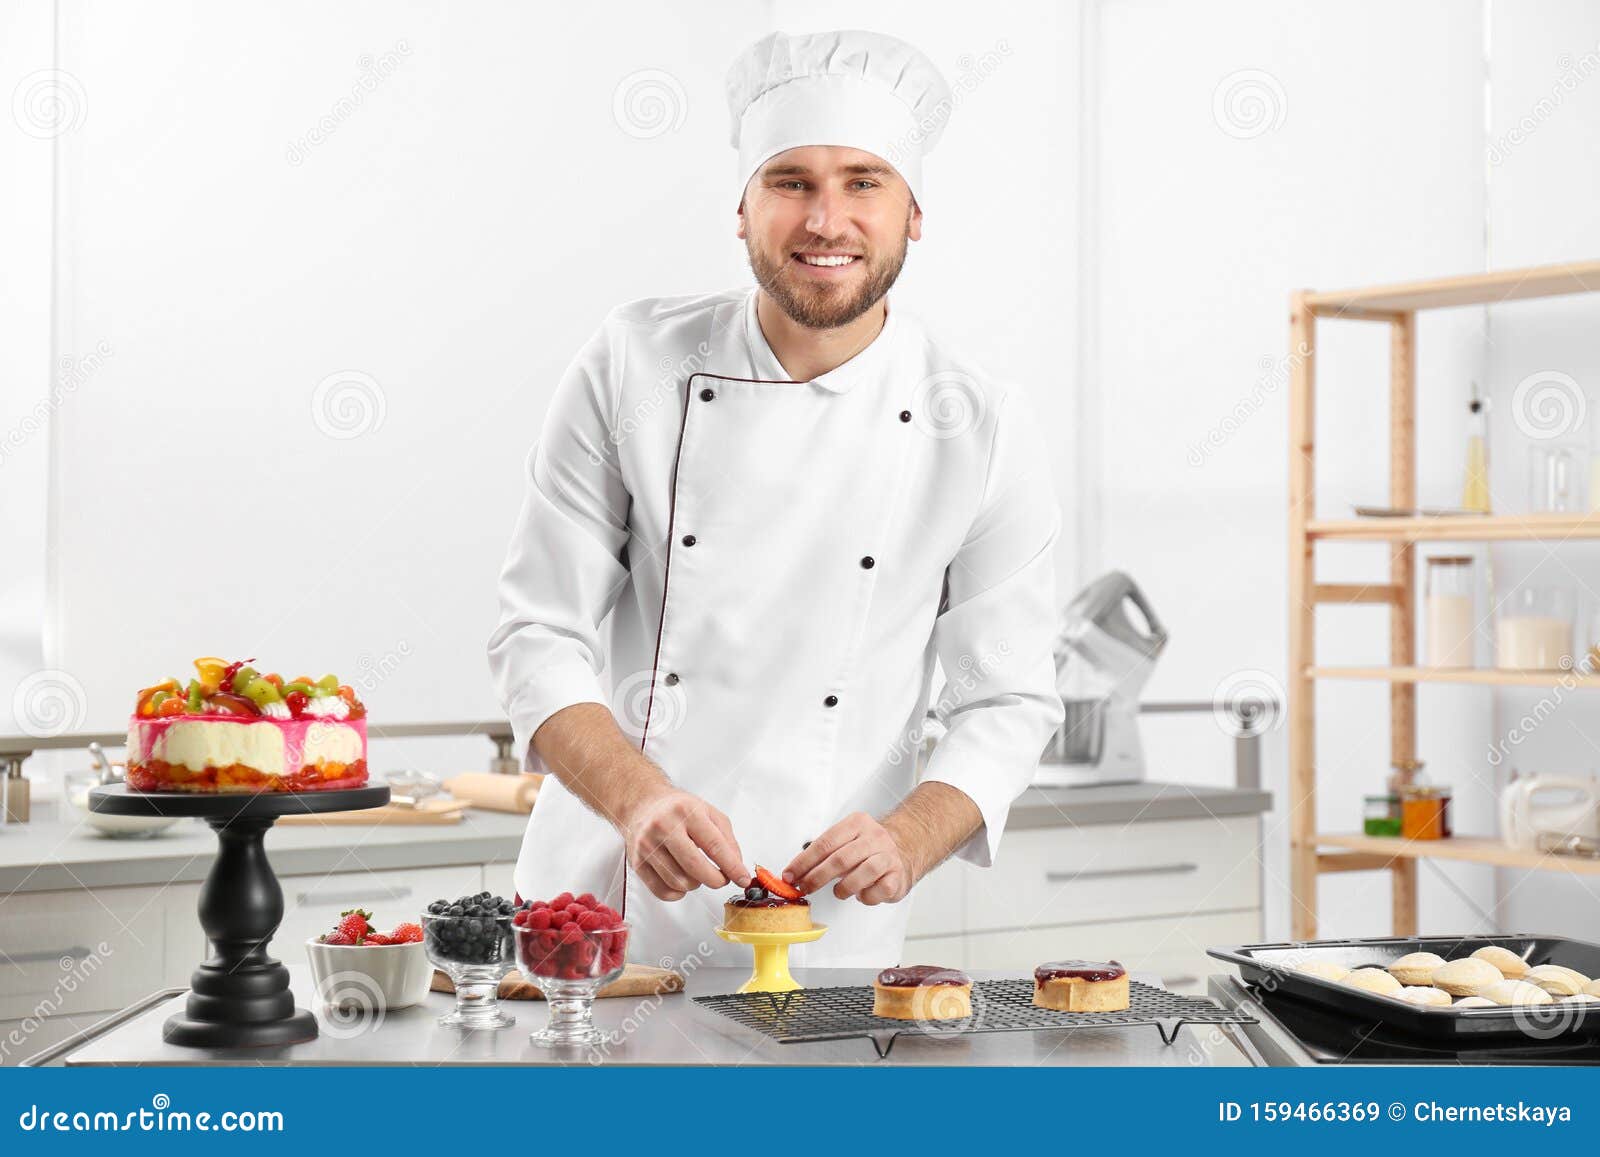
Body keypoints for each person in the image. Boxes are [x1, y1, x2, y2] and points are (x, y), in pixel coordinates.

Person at [489, 29, 1062, 967]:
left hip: (825, 925)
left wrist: (911, 836)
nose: (825, 220)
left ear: (914, 213)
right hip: (598, 912)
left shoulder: (982, 426)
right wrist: (640, 799)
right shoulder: (633, 363)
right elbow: (536, 634)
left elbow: (1008, 698)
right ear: (744, 209)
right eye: (791, 180)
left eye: (863, 182)